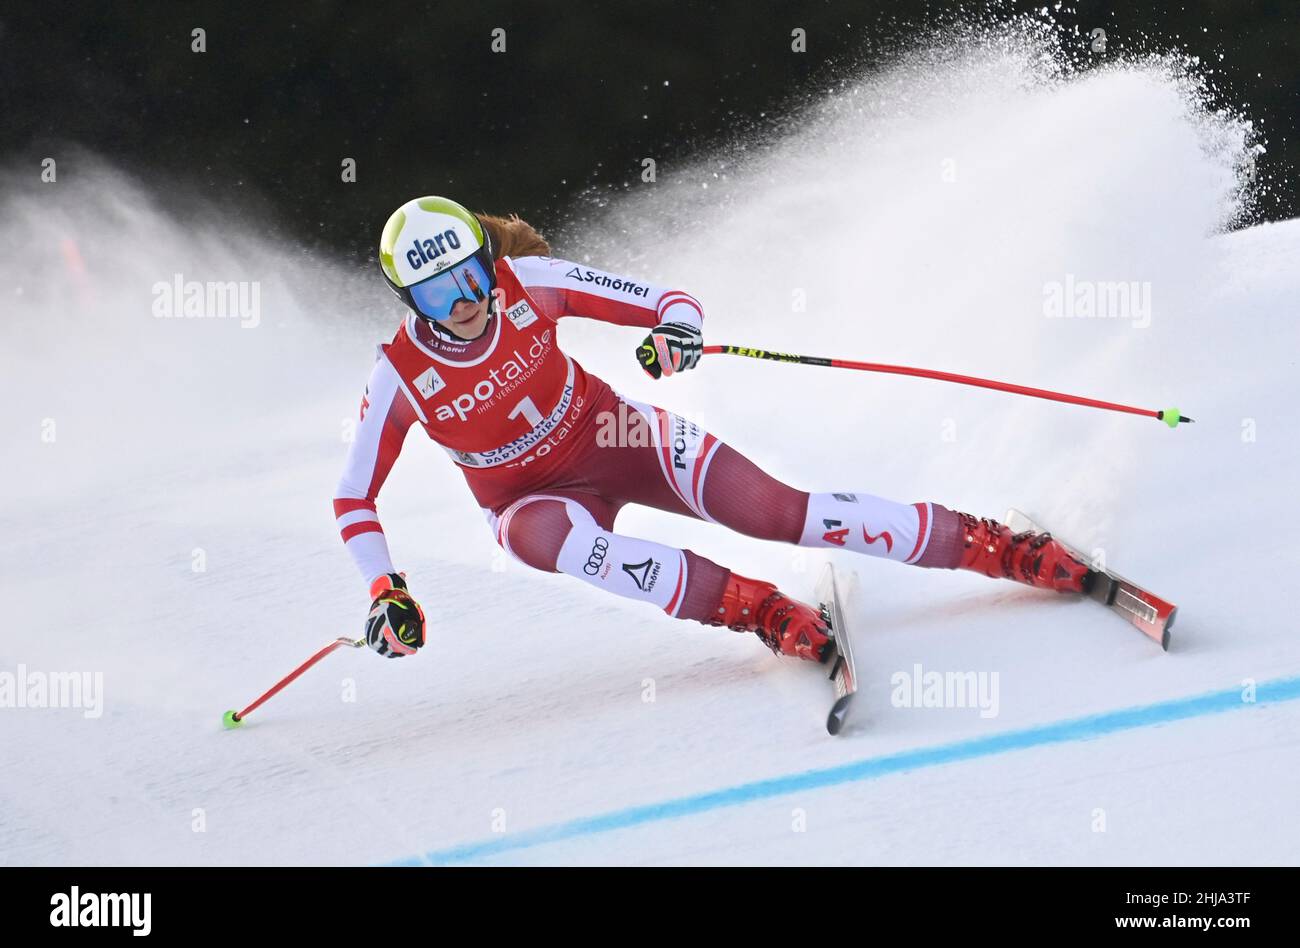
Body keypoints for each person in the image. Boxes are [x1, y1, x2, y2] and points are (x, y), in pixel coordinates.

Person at [335, 196, 1089, 663]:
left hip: (616, 438)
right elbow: (353, 499)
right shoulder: (399, 373)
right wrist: (384, 590)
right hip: (528, 502)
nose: (464, 301)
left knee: (780, 513)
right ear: (409, 300)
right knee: (567, 545)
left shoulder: (529, 283)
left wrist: (676, 336)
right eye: (436, 293)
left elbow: (670, 301)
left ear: (486, 259)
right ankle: (760, 610)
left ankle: (996, 547)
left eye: (469, 275)